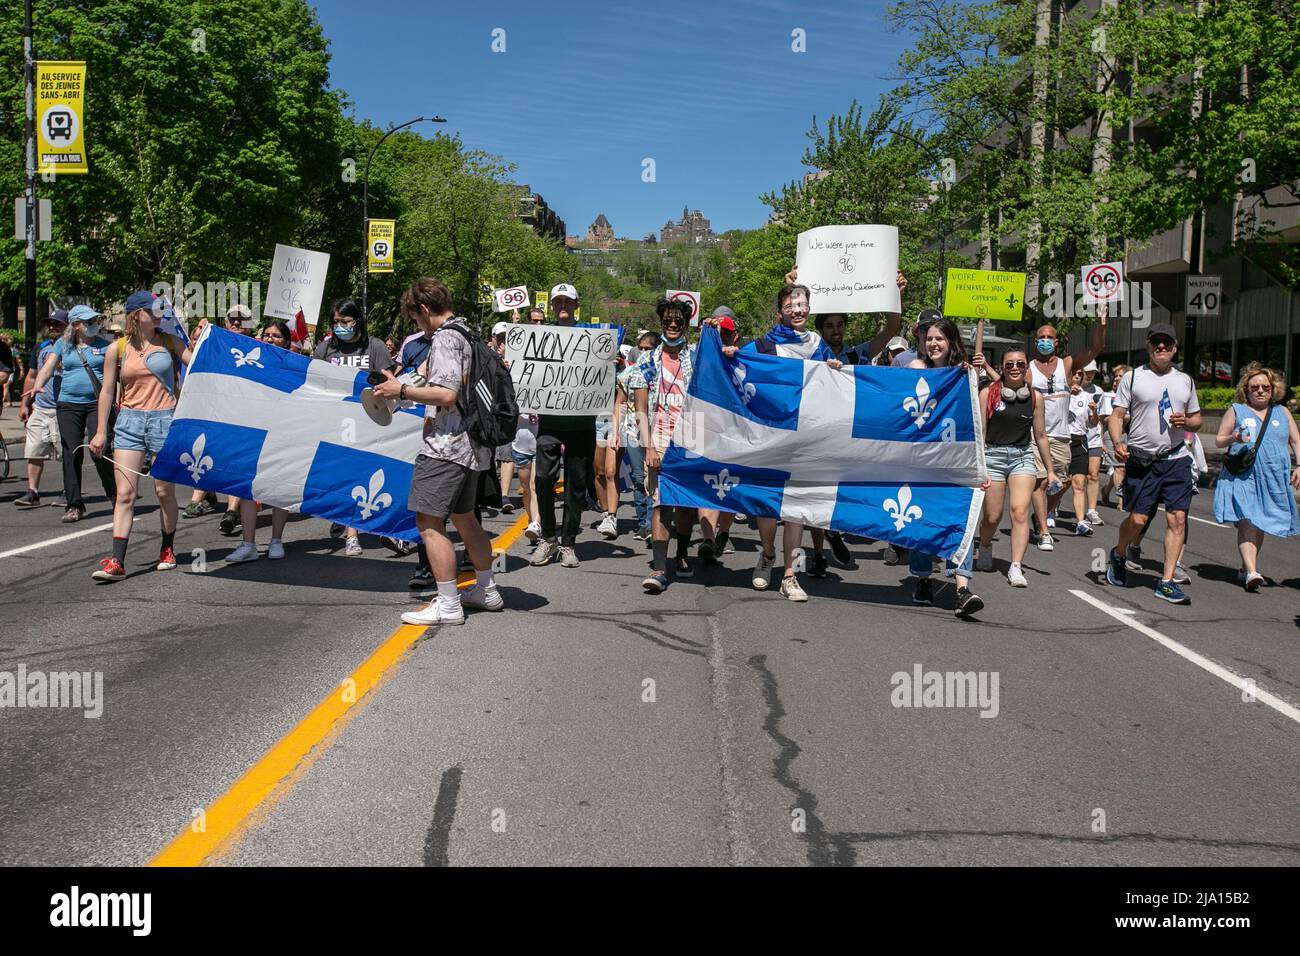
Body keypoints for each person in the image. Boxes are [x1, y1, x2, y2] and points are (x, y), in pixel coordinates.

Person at [372, 278, 503, 626]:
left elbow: (446, 395)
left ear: (425, 310)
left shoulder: (445, 336)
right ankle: (486, 590)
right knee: (466, 518)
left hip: (446, 446)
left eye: (415, 319)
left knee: (429, 523)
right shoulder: (469, 332)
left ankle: (447, 603)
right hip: (473, 446)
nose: (417, 325)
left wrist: (400, 390)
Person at [725, 283, 843, 602]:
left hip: (805, 437)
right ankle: (766, 555)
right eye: (791, 305)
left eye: (802, 304)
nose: (798, 310)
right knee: (767, 505)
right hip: (771, 435)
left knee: (796, 508)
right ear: (780, 312)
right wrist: (722, 347)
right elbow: (734, 363)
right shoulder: (764, 345)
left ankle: (790, 575)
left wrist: (835, 369)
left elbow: (835, 383)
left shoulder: (819, 345)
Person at [88, 291, 202, 582]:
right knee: (125, 494)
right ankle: (117, 560)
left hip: (165, 420)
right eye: (151, 310)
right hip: (129, 423)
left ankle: (167, 548)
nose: (157, 314)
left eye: (160, 310)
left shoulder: (169, 342)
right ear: (135, 314)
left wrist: (204, 337)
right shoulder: (118, 348)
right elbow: (107, 391)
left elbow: (201, 364)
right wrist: (101, 431)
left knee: (164, 492)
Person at [1104, 323, 1201, 604]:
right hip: (1142, 459)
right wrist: (1117, 442)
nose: (1161, 347)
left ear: (1174, 348)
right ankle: (1119, 554)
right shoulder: (1133, 378)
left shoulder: (1185, 380)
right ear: (1148, 347)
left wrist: (1187, 422)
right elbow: (1116, 414)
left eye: (1167, 343)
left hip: (1176, 458)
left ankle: (1167, 581)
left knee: (1178, 518)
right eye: (1156, 342)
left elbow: (1196, 418)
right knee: (1138, 519)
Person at [904, 318, 986, 616]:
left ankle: (961, 589)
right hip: (921, 461)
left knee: (960, 520)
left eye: (940, 339)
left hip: (956, 461)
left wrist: (981, 466)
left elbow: (976, 423)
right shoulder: (917, 369)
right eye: (929, 339)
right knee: (921, 520)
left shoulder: (965, 375)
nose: (933, 344)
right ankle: (923, 579)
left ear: (951, 342)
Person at [313, 298, 396, 556]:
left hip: (366, 422)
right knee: (338, 475)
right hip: (334, 422)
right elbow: (313, 380)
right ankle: (341, 514)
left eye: (345, 322)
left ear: (357, 321)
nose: (339, 326)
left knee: (357, 476)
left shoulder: (375, 347)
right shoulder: (325, 349)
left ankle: (352, 534)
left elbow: (390, 380)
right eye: (335, 322)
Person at [1212, 363, 1300, 591]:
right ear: (1246, 390)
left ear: (1273, 389)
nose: (1260, 390)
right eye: (1255, 387)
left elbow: (1296, 441)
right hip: (1243, 477)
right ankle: (1252, 571)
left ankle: (1245, 568)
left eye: (1265, 387)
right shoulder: (1236, 410)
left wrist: (1299, 465)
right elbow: (1219, 440)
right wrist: (1234, 437)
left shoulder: (1282, 412)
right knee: (1249, 521)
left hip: (1272, 478)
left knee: (1258, 524)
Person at [634, 298, 701, 592]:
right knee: (660, 504)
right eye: (667, 321)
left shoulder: (697, 357)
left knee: (685, 505)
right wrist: (648, 446)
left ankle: (683, 553)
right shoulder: (646, 361)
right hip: (659, 440)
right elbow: (640, 408)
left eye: (678, 321)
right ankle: (660, 568)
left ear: (686, 324)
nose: (672, 325)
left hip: (691, 438)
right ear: (661, 322)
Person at [1029, 303, 1108, 549]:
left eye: (1049, 338)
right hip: (1036, 435)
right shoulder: (1029, 369)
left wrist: (1101, 323)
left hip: (1063, 436)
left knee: (1062, 483)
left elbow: (1096, 347)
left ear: (1057, 341)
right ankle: (1043, 530)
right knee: (1041, 482)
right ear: (1035, 342)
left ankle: (1040, 514)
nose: (1045, 341)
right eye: (1041, 338)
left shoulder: (1066, 364)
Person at [29, 305, 117, 522]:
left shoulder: (106, 346)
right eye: (88, 321)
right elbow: (48, 368)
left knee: (99, 449)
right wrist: (38, 385)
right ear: (76, 325)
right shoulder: (63, 345)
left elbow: (116, 377)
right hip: (68, 405)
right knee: (71, 452)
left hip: (97, 404)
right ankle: (74, 505)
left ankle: (115, 495)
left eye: (94, 320)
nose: (93, 324)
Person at [530, 283, 596, 569]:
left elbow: (604, 370)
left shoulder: (592, 338)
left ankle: (568, 543)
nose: (563, 306)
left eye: (567, 302)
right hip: (550, 422)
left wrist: (611, 365)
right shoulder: (540, 337)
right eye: (558, 302)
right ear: (552, 307)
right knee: (543, 479)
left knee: (576, 486)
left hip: (582, 422)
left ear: (576, 304)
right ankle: (547, 537)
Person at [975, 348, 1053, 587]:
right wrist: (978, 465)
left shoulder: (1035, 397)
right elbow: (981, 433)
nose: (1015, 368)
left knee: (1020, 512)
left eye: (1020, 363)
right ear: (1001, 367)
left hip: (1022, 457)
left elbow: (1040, 435)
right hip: (993, 457)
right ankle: (985, 544)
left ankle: (1016, 566)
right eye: (1009, 364)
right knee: (992, 516)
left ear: (1026, 367)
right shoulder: (988, 393)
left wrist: (1050, 470)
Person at [226, 321, 297, 563]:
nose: (269, 339)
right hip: (253, 431)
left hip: (282, 432)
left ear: (286, 341)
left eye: (276, 336)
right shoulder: (252, 362)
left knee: (278, 488)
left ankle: (276, 540)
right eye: (266, 335)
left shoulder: (295, 365)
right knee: (247, 487)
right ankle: (248, 544)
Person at [14, 311, 67, 508]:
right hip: (41, 408)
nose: (53, 327)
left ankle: (68, 491)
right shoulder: (41, 347)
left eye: (58, 324)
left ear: (68, 326)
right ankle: (32, 492)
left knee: (66, 455)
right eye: (50, 323)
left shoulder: (73, 347)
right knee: (34, 451)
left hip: (64, 409)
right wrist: (25, 404)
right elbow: (31, 376)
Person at [617, 330, 659, 543]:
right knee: (638, 478)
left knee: (654, 478)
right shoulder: (628, 374)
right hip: (633, 432)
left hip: (658, 433)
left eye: (648, 349)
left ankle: (656, 523)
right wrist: (616, 430)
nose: (642, 352)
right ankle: (644, 523)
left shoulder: (663, 371)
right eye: (640, 348)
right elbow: (620, 403)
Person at [1065, 367, 1099, 535]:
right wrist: (1067, 394)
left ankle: (1080, 522)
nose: (1077, 377)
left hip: (1080, 441)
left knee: (1079, 483)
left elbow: (1093, 423)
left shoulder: (1087, 397)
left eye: (1080, 374)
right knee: (1063, 482)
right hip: (1063, 441)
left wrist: (1094, 411)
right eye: (1074, 374)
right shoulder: (1061, 394)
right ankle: (1048, 511)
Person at [1080, 361, 1106, 527]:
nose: (1090, 375)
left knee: (1093, 474)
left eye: (1093, 372)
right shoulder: (1071, 389)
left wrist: (1102, 440)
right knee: (1071, 478)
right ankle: (1054, 505)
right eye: (1087, 371)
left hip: (1093, 438)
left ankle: (1091, 510)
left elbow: (1100, 421)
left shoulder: (1099, 392)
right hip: (1074, 437)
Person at [0, 331, 16, 411]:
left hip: (9, 371)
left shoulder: (3, 348)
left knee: (6, 386)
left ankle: (6, 400)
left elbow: (3, 376)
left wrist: (22, 369)